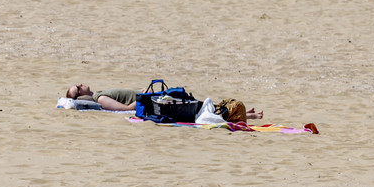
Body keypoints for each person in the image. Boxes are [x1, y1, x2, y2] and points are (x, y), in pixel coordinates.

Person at [64, 84, 264, 119]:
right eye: (78, 88)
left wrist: (142, 91)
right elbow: (124, 108)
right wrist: (146, 97)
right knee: (195, 107)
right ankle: (243, 114)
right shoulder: (101, 98)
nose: (81, 84)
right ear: (81, 96)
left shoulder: (100, 92)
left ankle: (246, 114)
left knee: (195, 103)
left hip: (151, 96)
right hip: (153, 101)